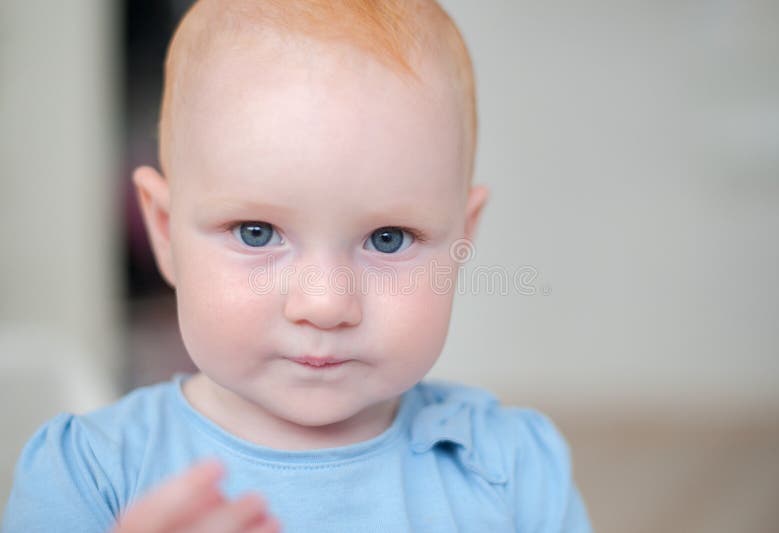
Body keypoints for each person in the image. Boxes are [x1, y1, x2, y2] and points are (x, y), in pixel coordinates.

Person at [2, 1, 592, 531]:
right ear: (164, 231)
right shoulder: (89, 478)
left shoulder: (510, 471)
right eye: (256, 234)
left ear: (462, 240)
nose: (325, 303)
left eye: (388, 239)